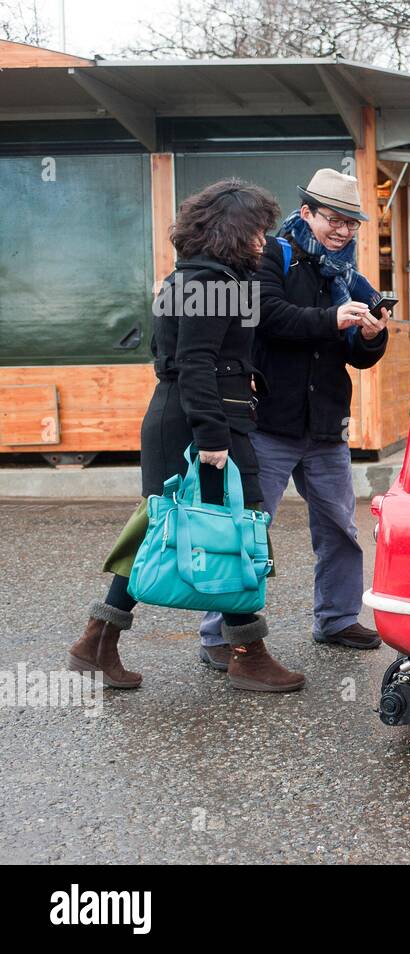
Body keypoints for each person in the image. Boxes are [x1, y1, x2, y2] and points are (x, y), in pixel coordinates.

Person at [70, 178, 305, 693]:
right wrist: (213, 439)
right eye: (256, 232)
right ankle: (247, 653)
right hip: (199, 423)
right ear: (228, 231)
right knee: (238, 528)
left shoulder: (211, 279)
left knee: (175, 530)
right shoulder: (202, 283)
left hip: (202, 417)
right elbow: (195, 362)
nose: (263, 242)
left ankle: (96, 642)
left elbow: (229, 352)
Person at [196, 168, 390, 669]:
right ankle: (220, 636)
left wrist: (371, 335)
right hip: (268, 421)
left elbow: (360, 356)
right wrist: (331, 319)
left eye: (352, 223)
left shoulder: (351, 278)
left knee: (339, 528)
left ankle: (338, 618)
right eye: (335, 220)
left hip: (325, 424)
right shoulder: (271, 256)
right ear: (306, 213)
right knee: (247, 528)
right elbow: (269, 315)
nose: (344, 231)